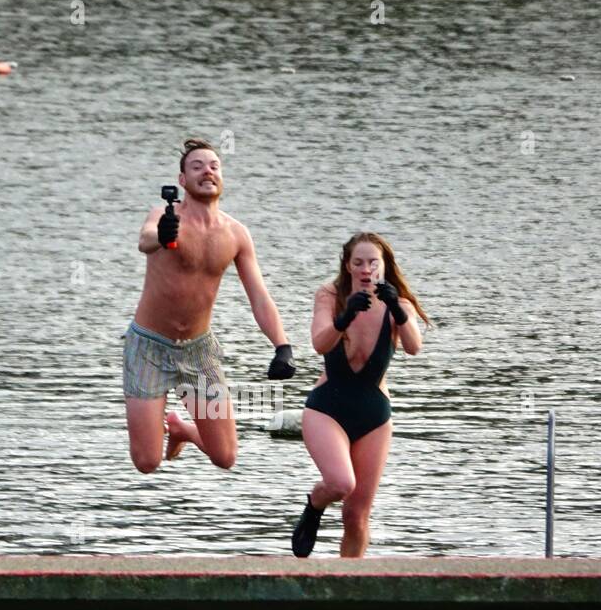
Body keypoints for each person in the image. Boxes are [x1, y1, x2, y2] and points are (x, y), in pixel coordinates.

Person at [125, 138, 295, 473]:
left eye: (214, 166)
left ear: (222, 177)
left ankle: (183, 430)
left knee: (225, 457)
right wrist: (162, 235)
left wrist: (282, 345)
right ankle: (166, 430)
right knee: (146, 462)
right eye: (198, 166)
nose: (208, 171)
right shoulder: (164, 216)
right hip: (148, 348)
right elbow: (145, 241)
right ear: (183, 180)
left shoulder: (236, 233)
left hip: (198, 353)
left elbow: (258, 295)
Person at [291, 232, 429, 558]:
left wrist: (397, 308)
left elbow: (414, 347)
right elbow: (319, 343)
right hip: (327, 409)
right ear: (348, 266)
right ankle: (315, 503)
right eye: (359, 263)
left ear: (382, 267)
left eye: (373, 263)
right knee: (340, 483)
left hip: (374, 416)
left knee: (356, 516)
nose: (366, 269)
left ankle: (349, 586)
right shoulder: (330, 295)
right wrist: (344, 318)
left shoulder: (398, 304)